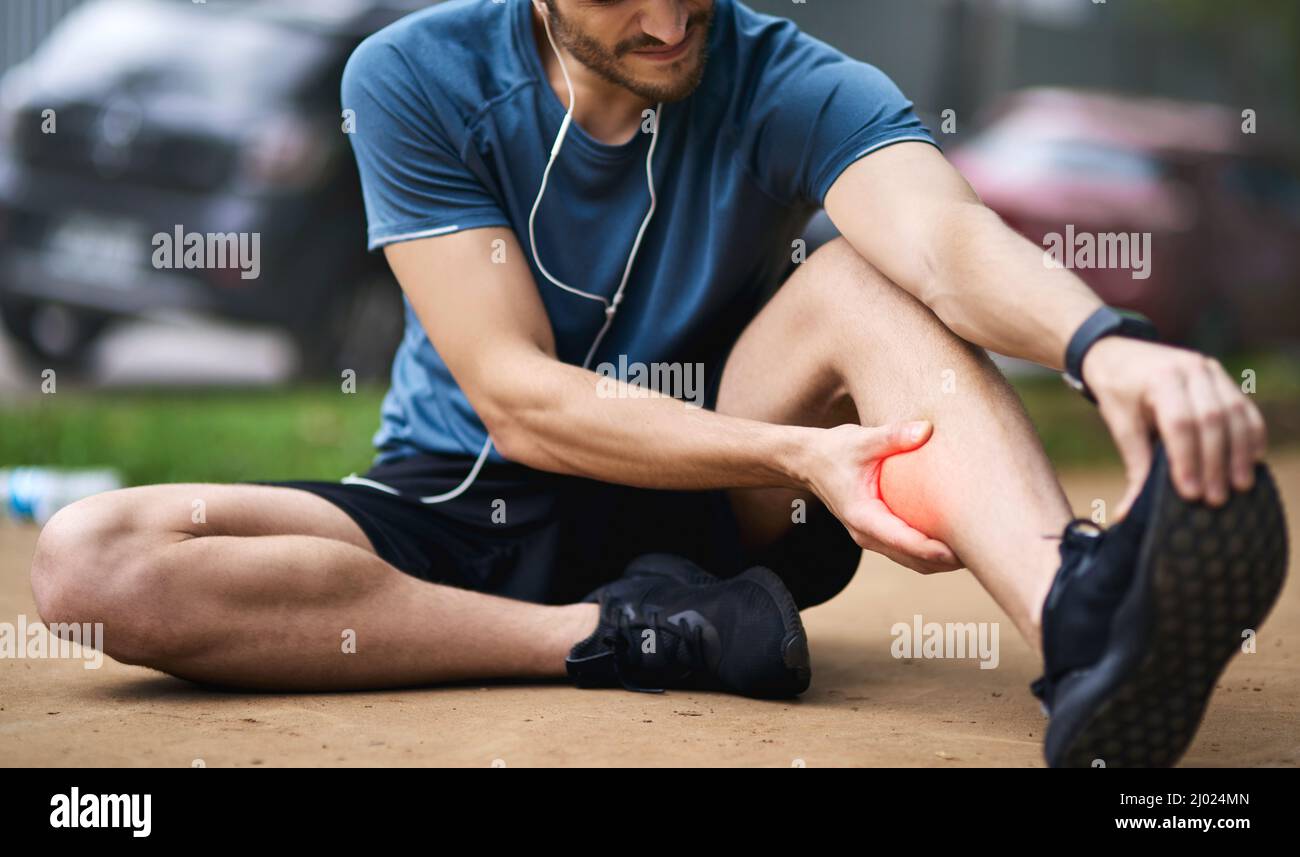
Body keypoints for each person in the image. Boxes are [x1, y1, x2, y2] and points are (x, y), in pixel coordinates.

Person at [30, 0, 1287, 767]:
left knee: (858, 281)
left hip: (715, 488)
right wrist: (804, 459)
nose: (671, 19)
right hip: (464, 496)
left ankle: (1081, 621)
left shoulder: (789, 76)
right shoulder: (410, 76)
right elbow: (516, 393)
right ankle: (629, 635)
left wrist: (1103, 340)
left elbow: (941, 242)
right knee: (95, 560)